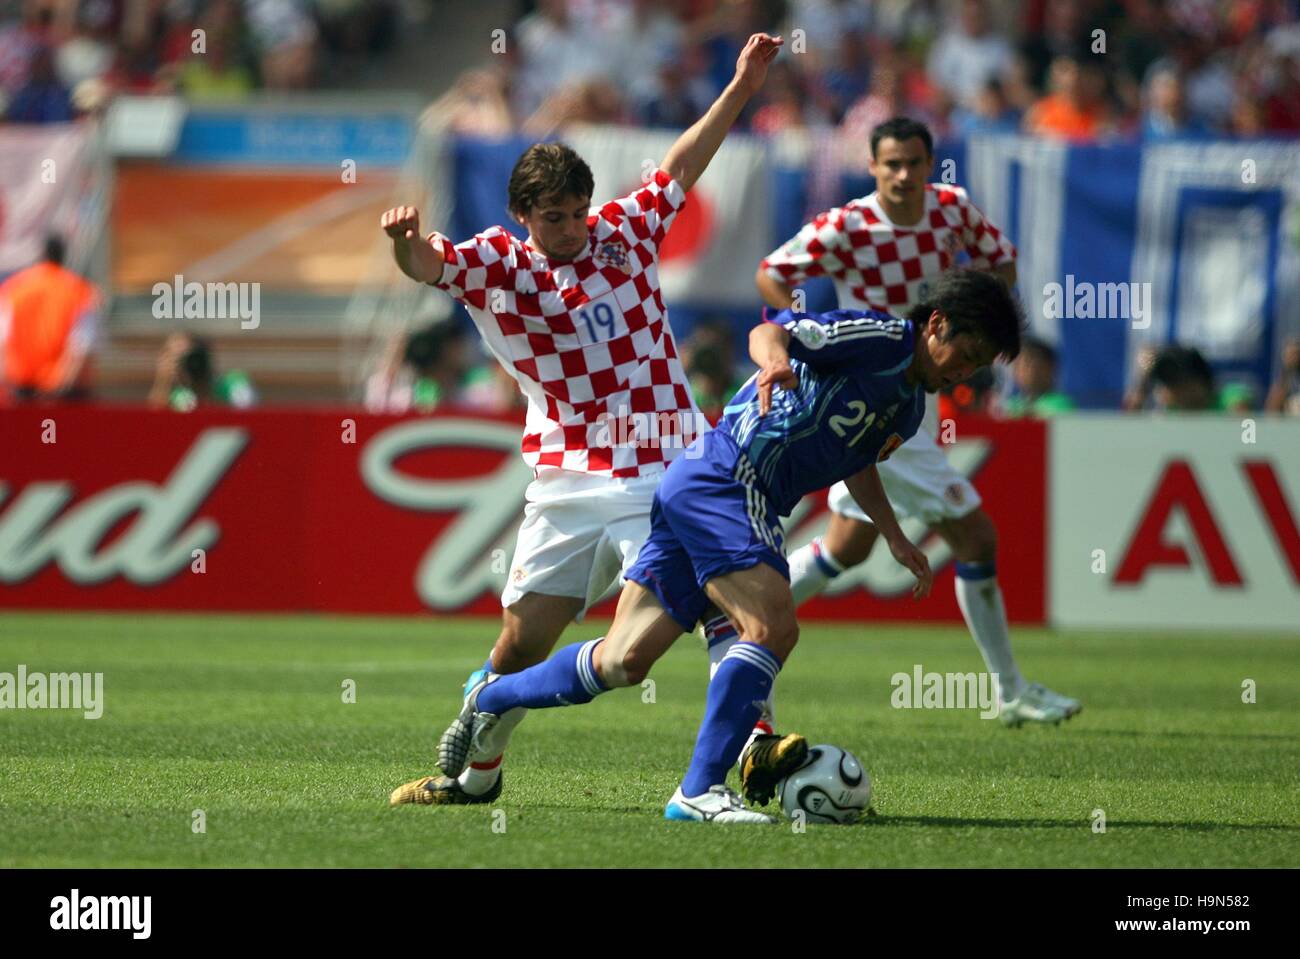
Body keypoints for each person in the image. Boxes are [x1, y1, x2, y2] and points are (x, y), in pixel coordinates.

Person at [414, 269, 1023, 823]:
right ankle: (698, 791)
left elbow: (856, 462)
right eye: (963, 356)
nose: (961, 374)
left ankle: (490, 695)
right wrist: (778, 362)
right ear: (936, 324)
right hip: (731, 479)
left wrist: (893, 534)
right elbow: (771, 332)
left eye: (975, 369)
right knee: (773, 627)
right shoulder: (880, 339)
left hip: (706, 487)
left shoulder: (910, 404)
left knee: (623, 661)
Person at [383, 33, 784, 807]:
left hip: (666, 463)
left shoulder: (626, 232)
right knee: (518, 644)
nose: (568, 228)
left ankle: (750, 750)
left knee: (714, 607)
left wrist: (740, 87)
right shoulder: (501, 261)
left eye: (575, 212)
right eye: (552, 217)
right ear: (520, 214)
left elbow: (683, 164)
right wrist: (405, 247)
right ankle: (477, 773)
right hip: (568, 473)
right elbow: (432, 263)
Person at [752, 117, 1080, 734]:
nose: (903, 175)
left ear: (932, 166)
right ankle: (1010, 691)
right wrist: (806, 325)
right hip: (870, 384)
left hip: (915, 388)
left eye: (914, 163)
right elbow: (772, 273)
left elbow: (1003, 265)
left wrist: (969, 318)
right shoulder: (848, 224)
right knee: (977, 538)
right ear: (872, 168)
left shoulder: (952, 210)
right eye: (891, 164)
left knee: (848, 547)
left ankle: (742, 616)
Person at [0, 235, 100, 402]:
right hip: (62, 393)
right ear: (63, 257)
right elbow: (81, 347)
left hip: (20, 391)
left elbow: (3, 342)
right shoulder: (79, 291)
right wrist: (57, 390)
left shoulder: (14, 289)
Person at [148, 332, 256, 411]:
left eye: (190, 357)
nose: (191, 364)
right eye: (177, 359)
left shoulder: (233, 384)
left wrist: (207, 387)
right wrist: (162, 382)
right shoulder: (179, 396)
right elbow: (155, 425)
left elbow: (248, 413)